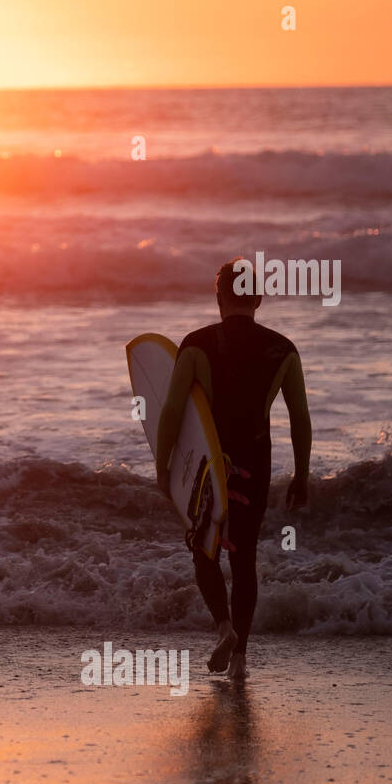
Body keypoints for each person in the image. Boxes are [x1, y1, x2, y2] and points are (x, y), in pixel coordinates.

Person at [156, 259, 312, 680]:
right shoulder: (284, 350)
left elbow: (171, 411)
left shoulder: (195, 345)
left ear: (219, 297)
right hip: (255, 462)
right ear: (258, 299)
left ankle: (223, 627)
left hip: (209, 463)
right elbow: (300, 417)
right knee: (244, 560)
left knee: (204, 547)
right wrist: (302, 473)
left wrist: (164, 465)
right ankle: (240, 657)